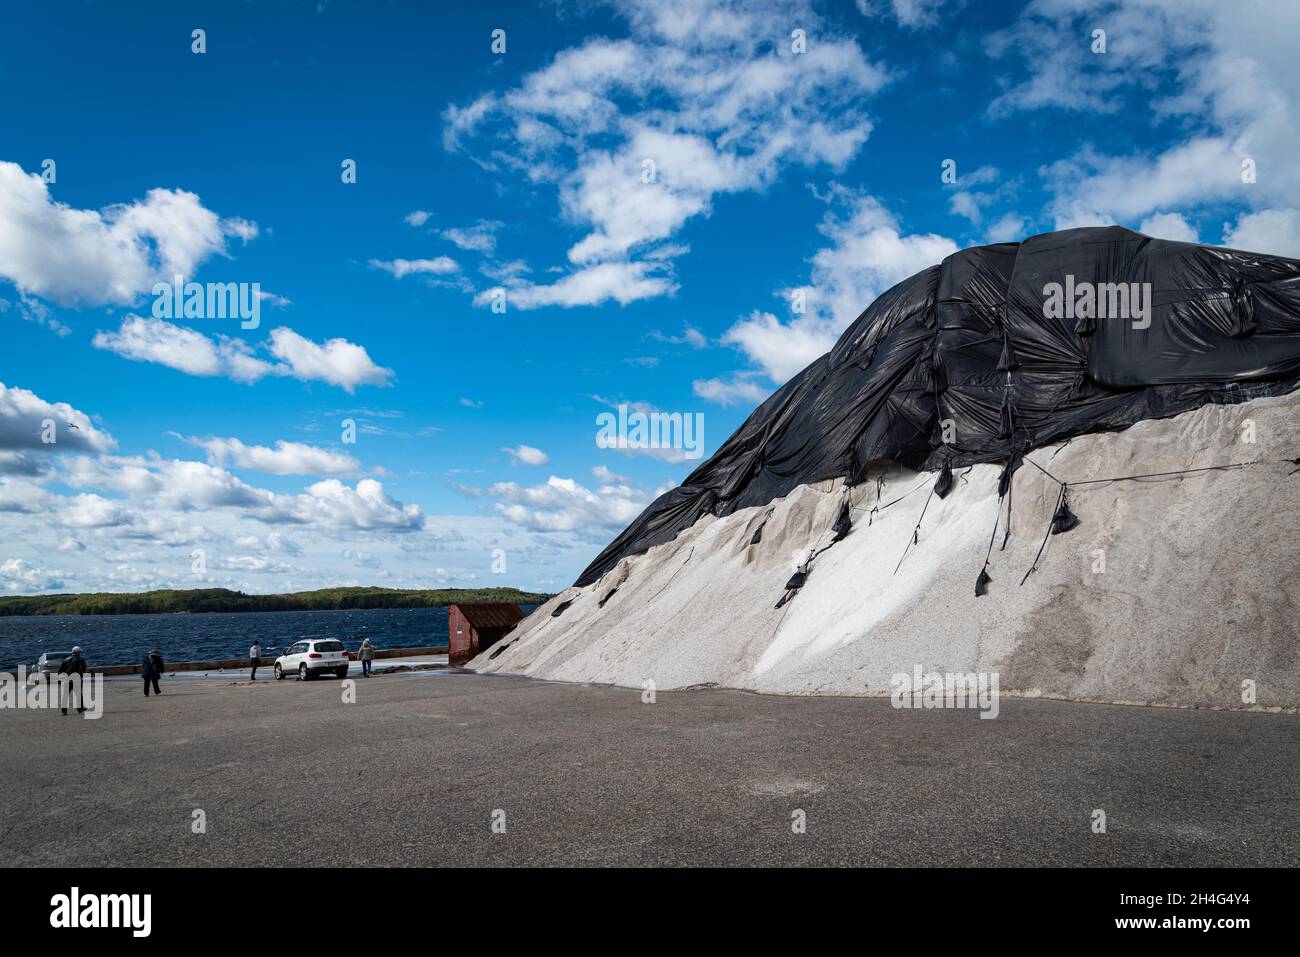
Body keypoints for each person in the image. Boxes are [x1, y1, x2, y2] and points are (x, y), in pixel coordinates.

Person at [57, 646, 87, 715]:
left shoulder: (66, 660)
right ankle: (80, 709)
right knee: (79, 695)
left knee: (65, 696)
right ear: (78, 652)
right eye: (80, 652)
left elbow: (60, 671)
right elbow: (82, 669)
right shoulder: (81, 659)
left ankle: (64, 712)